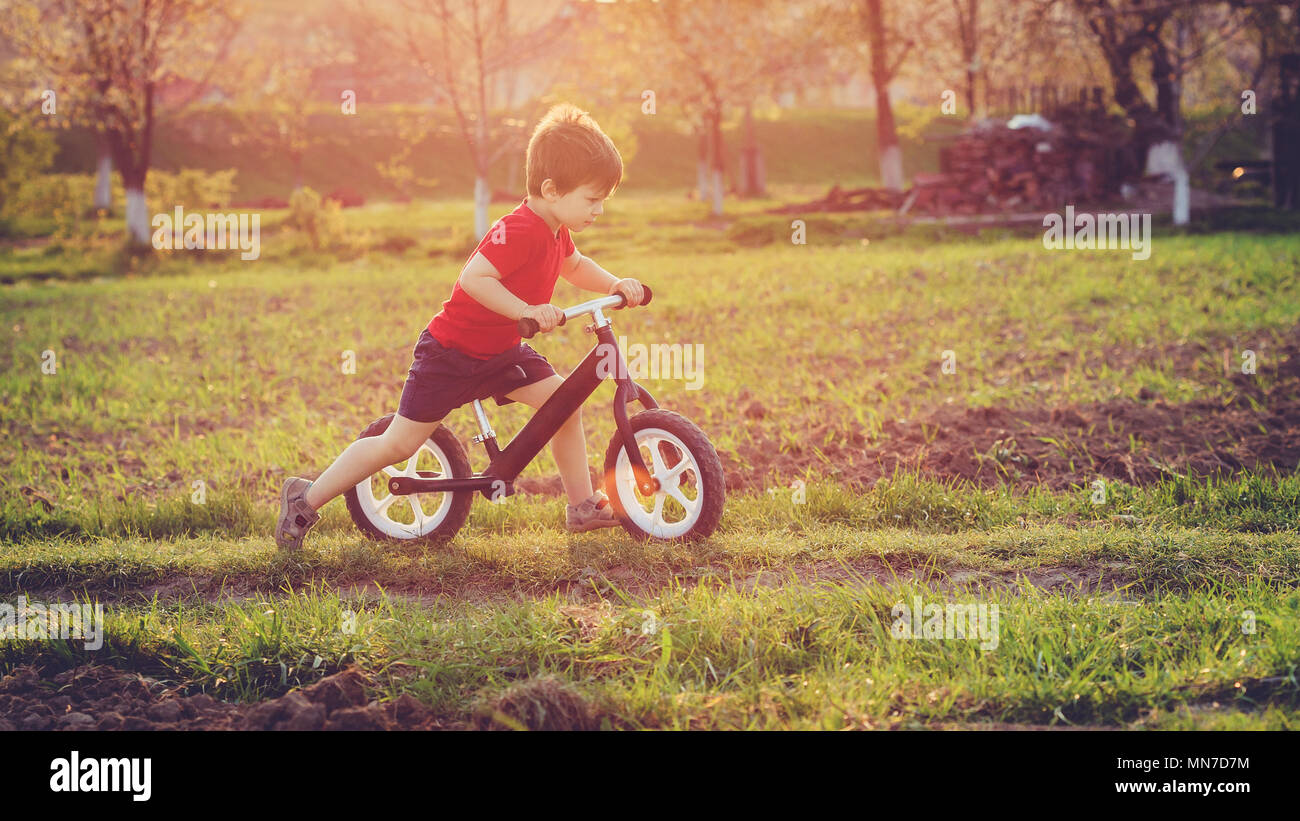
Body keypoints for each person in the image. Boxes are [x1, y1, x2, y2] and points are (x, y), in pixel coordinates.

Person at [275, 103, 643, 550]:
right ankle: (304, 498)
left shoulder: (555, 230)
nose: (599, 210)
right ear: (550, 189)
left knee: (564, 401)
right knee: (399, 444)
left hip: (501, 352)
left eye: (602, 200)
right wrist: (525, 309)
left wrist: (615, 284)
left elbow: (575, 266)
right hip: (450, 354)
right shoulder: (518, 229)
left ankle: (582, 507)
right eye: (592, 199)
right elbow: (474, 278)